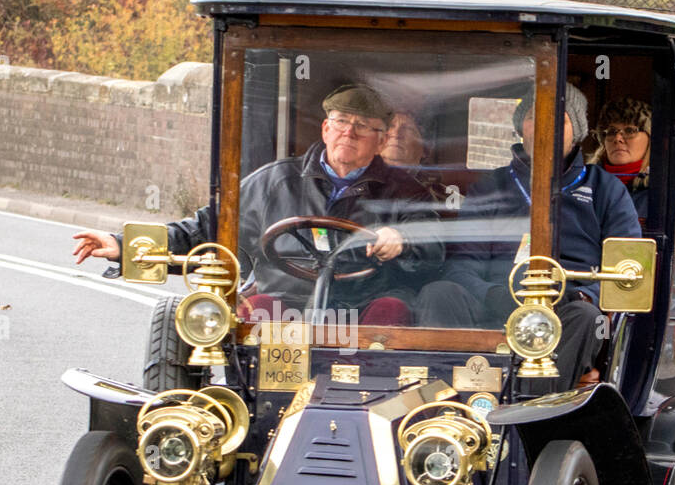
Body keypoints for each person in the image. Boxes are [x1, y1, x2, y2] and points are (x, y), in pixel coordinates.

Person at [71, 84, 442, 325]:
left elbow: (436, 252)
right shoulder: (274, 180)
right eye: (341, 121)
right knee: (256, 310)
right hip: (286, 302)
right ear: (326, 129)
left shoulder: (405, 192)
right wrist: (122, 245)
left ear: (380, 140)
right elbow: (206, 230)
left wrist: (403, 238)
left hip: (364, 306)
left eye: (363, 126)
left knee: (394, 313)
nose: (350, 132)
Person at [416, 81, 642, 390]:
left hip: (565, 309)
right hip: (494, 301)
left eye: (558, 117)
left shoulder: (607, 190)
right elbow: (461, 265)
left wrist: (583, 293)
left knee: (587, 316)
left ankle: (536, 411)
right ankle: (452, 399)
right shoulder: (490, 187)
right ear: (521, 127)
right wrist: (490, 294)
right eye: (534, 116)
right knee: (438, 292)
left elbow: (624, 272)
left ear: (575, 129)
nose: (545, 125)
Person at [589, 97, 650, 222]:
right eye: (611, 132)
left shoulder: (661, 190)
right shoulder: (585, 182)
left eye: (629, 130)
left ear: (650, 138)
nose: (618, 138)